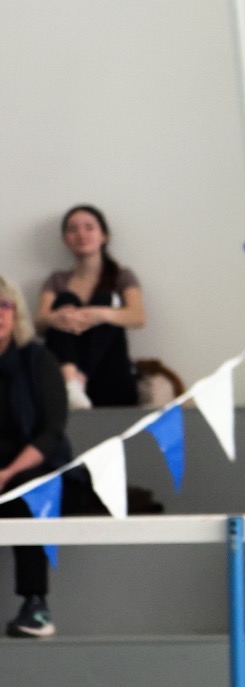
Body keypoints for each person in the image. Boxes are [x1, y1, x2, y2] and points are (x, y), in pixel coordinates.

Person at [0, 276, 69, 638]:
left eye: (3, 305)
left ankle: (36, 606)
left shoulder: (37, 360)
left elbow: (52, 432)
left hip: (31, 467)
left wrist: (6, 472)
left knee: (29, 490)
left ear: (15, 313)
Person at [35, 205, 144, 409]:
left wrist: (99, 315)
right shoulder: (57, 280)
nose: (81, 234)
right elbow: (39, 324)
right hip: (65, 374)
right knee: (65, 300)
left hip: (111, 376)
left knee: (106, 301)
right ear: (65, 239)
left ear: (104, 236)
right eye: (73, 229)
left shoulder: (122, 276)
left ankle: (79, 380)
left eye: (88, 227)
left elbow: (138, 317)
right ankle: (71, 383)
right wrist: (56, 318)